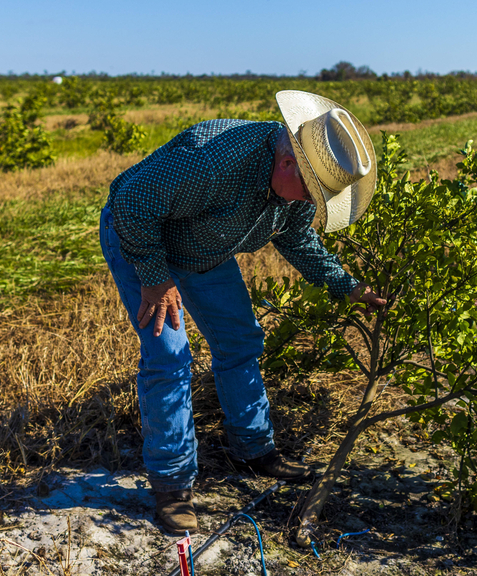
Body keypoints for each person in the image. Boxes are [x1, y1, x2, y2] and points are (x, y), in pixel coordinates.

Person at [100, 90, 386, 533]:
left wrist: (347, 286)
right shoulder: (213, 159)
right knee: (170, 357)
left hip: (205, 249)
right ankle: (172, 484)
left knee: (240, 341)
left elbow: (296, 240)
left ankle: (252, 450)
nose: (313, 204)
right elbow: (134, 201)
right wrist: (156, 278)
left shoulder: (293, 191)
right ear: (289, 162)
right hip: (142, 240)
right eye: (314, 193)